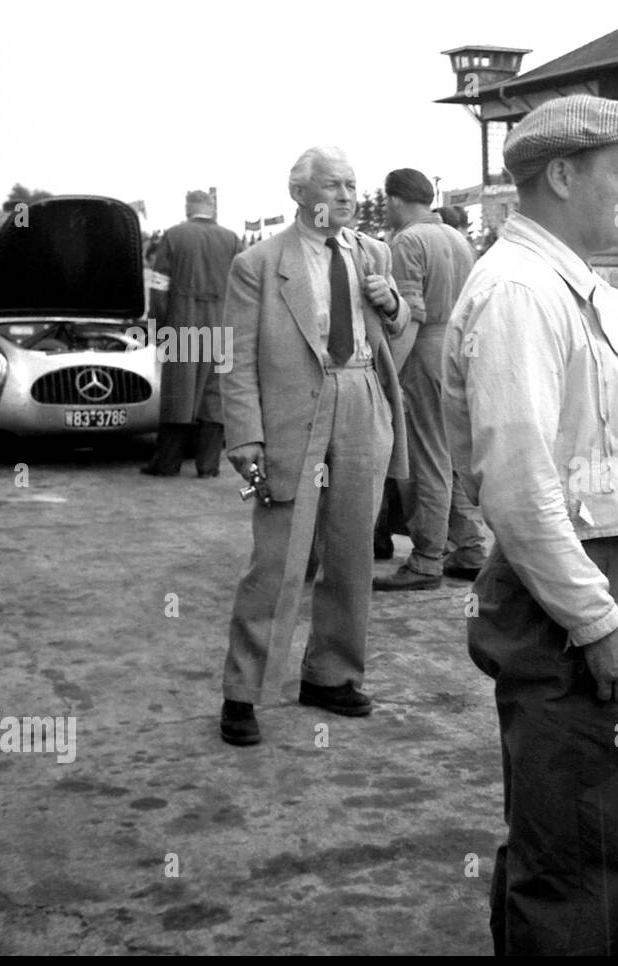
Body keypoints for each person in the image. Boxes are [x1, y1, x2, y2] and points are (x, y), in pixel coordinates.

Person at [443, 95, 618, 955]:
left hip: (616, 567)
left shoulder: (570, 280)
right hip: (585, 583)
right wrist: (597, 622)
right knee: (582, 837)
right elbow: (517, 489)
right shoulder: (520, 292)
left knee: (604, 820)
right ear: (563, 174)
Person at [216, 147, 409, 746]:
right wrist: (245, 432)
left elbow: (396, 327)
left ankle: (331, 674)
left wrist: (393, 304)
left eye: (353, 184)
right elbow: (236, 357)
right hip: (293, 413)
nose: (349, 195)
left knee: (353, 553)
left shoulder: (372, 253)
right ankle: (244, 692)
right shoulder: (258, 263)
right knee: (277, 560)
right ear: (301, 194)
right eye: (335, 185)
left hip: (362, 399)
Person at [373, 168, 489, 592]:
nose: (386, 209)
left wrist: (389, 375)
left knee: (426, 460)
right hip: (461, 350)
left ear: (397, 200)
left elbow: (412, 315)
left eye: (387, 200)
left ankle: (425, 560)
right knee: (452, 456)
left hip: (424, 351)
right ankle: (471, 548)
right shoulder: (459, 239)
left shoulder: (406, 241)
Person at [141, 191, 243, 477]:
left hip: (183, 323)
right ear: (211, 209)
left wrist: (156, 326)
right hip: (222, 326)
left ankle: (167, 464)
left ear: (188, 208)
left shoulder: (174, 236)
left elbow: (159, 288)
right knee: (215, 396)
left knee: (178, 394)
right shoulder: (232, 239)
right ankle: (208, 466)